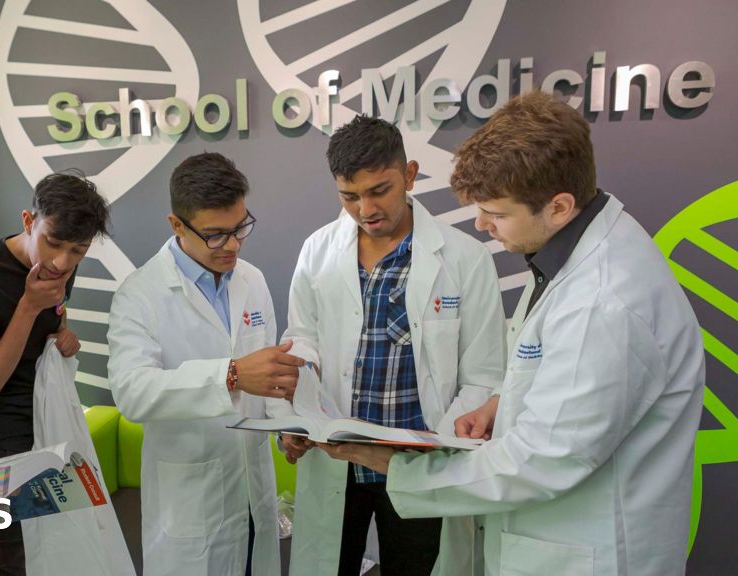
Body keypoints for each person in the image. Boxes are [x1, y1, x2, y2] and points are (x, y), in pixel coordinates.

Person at [320, 91, 705, 575]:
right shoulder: (576, 252)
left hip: (587, 552)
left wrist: (397, 468)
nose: (482, 225)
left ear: (559, 206)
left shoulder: (603, 302)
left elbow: (542, 461)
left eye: (497, 214)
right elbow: (570, 384)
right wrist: (502, 405)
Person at [270, 116, 506, 576]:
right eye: (349, 196)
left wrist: (440, 441)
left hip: (419, 463)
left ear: (410, 174)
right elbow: (303, 340)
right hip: (340, 460)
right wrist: (296, 416)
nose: (365, 209)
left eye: (379, 190)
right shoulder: (318, 250)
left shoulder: (465, 258)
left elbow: (483, 375)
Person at [107, 152, 303, 576]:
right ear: (177, 225)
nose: (232, 245)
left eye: (240, 228)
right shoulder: (140, 294)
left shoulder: (252, 280)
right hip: (193, 505)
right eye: (216, 235)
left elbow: (268, 374)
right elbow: (132, 393)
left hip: (255, 494)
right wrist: (229, 376)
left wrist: (287, 427)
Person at [0, 172, 107, 575]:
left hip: (55, 429)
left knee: (62, 550)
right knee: (14, 558)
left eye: (78, 251)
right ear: (28, 220)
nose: (62, 262)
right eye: (53, 243)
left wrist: (64, 335)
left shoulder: (60, 269)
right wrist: (28, 305)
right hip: (5, 445)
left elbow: (53, 326)